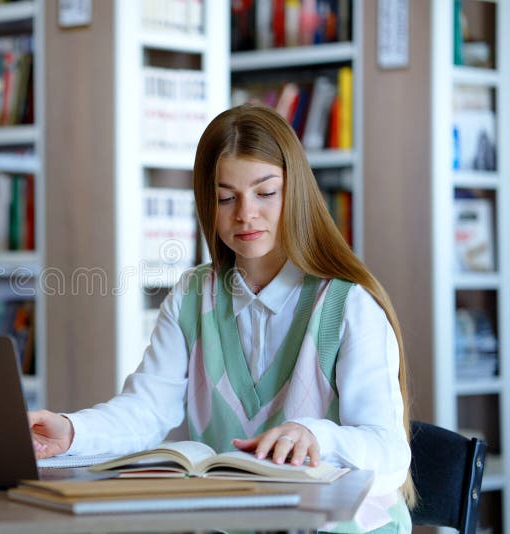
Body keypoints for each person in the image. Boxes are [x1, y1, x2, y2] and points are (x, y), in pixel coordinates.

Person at [28, 103, 415, 533]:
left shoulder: (349, 305)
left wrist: (316, 437)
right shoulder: (193, 296)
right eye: (226, 197)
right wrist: (71, 431)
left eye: (265, 193)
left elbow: (390, 453)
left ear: (296, 193)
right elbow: (145, 410)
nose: (245, 213)